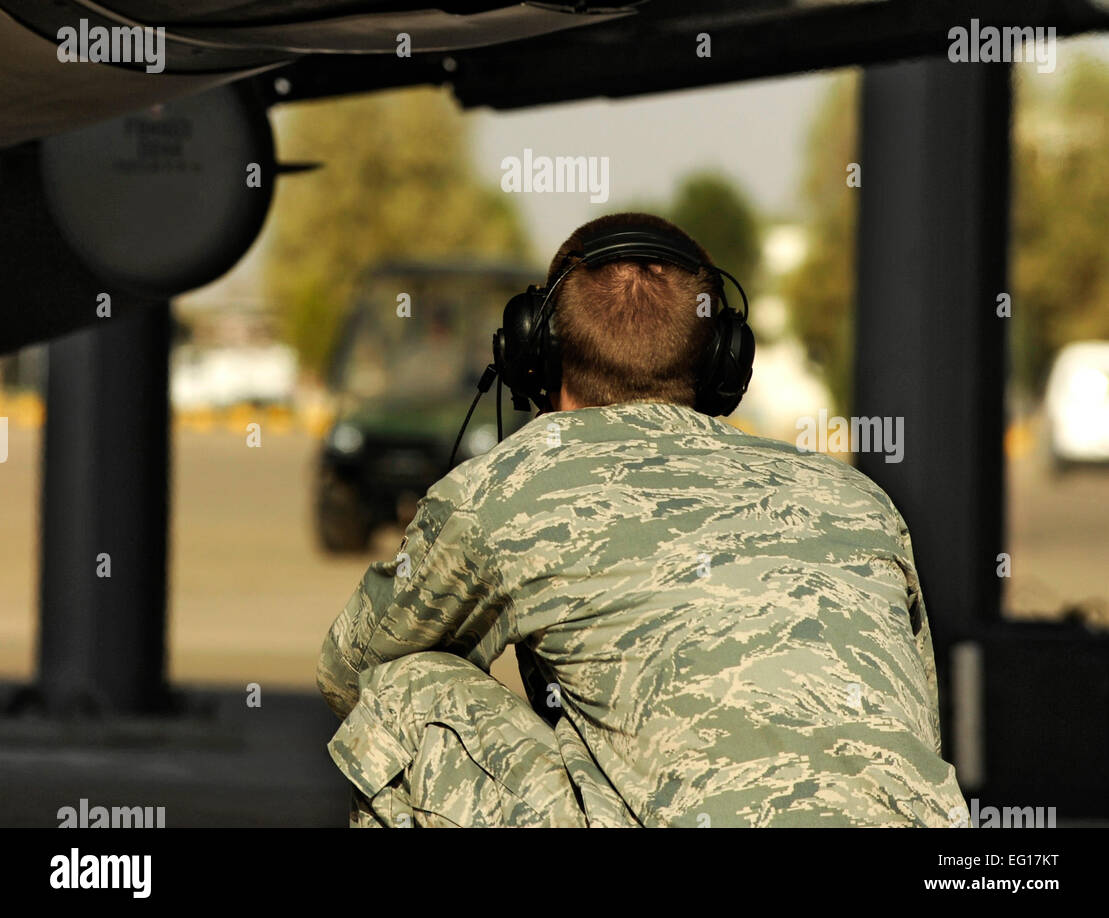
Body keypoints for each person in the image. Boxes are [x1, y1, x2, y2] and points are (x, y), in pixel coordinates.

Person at [317, 212, 967, 827]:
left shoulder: (511, 487)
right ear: (724, 363)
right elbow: (919, 721)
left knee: (402, 691)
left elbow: (352, 668)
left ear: (534, 351)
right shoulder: (856, 498)